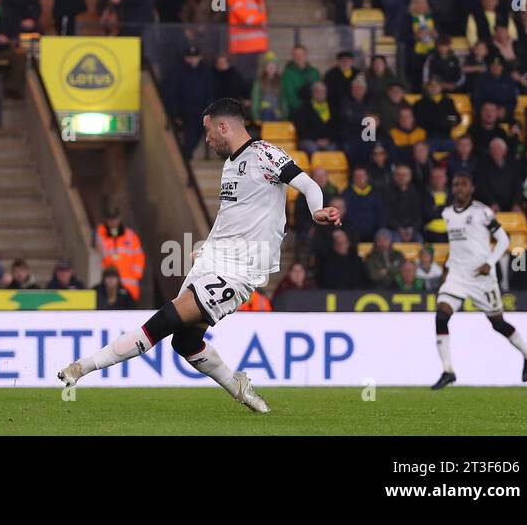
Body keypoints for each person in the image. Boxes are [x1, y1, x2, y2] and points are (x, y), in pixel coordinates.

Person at [58, 98, 339, 411]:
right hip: (213, 260)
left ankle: (82, 367)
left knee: (164, 320)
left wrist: (316, 212)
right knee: (185, 342)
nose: (206, 139)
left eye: (208, 131)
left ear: (223, 126)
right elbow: (231, 217)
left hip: (239, 271)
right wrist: (208, 245)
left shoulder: (265, 154)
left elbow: (308, 184)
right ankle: (239, 387)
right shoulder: (230, 164)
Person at [430, 172, 527, 390]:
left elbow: (504, 240)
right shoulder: (447, 213)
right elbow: (458, 245)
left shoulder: (483, 212)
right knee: (441, 316)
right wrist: (449, 264)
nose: (459, 188)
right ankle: (448, 370)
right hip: (457, 275)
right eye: (455, 185)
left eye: (463, 185)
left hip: (482, 277)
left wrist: (490, 262)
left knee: (497, 323)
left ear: (471, 188)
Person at [94, 205, 145, 301]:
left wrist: (136, 274)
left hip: (129, 284)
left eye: (114, 218)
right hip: (109, 283)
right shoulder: (100, 234)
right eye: (110, 219)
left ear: (119, 218)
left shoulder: (130, 236)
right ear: (106, 220)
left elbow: (139, 256)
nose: (112, 222)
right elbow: (97, 255)